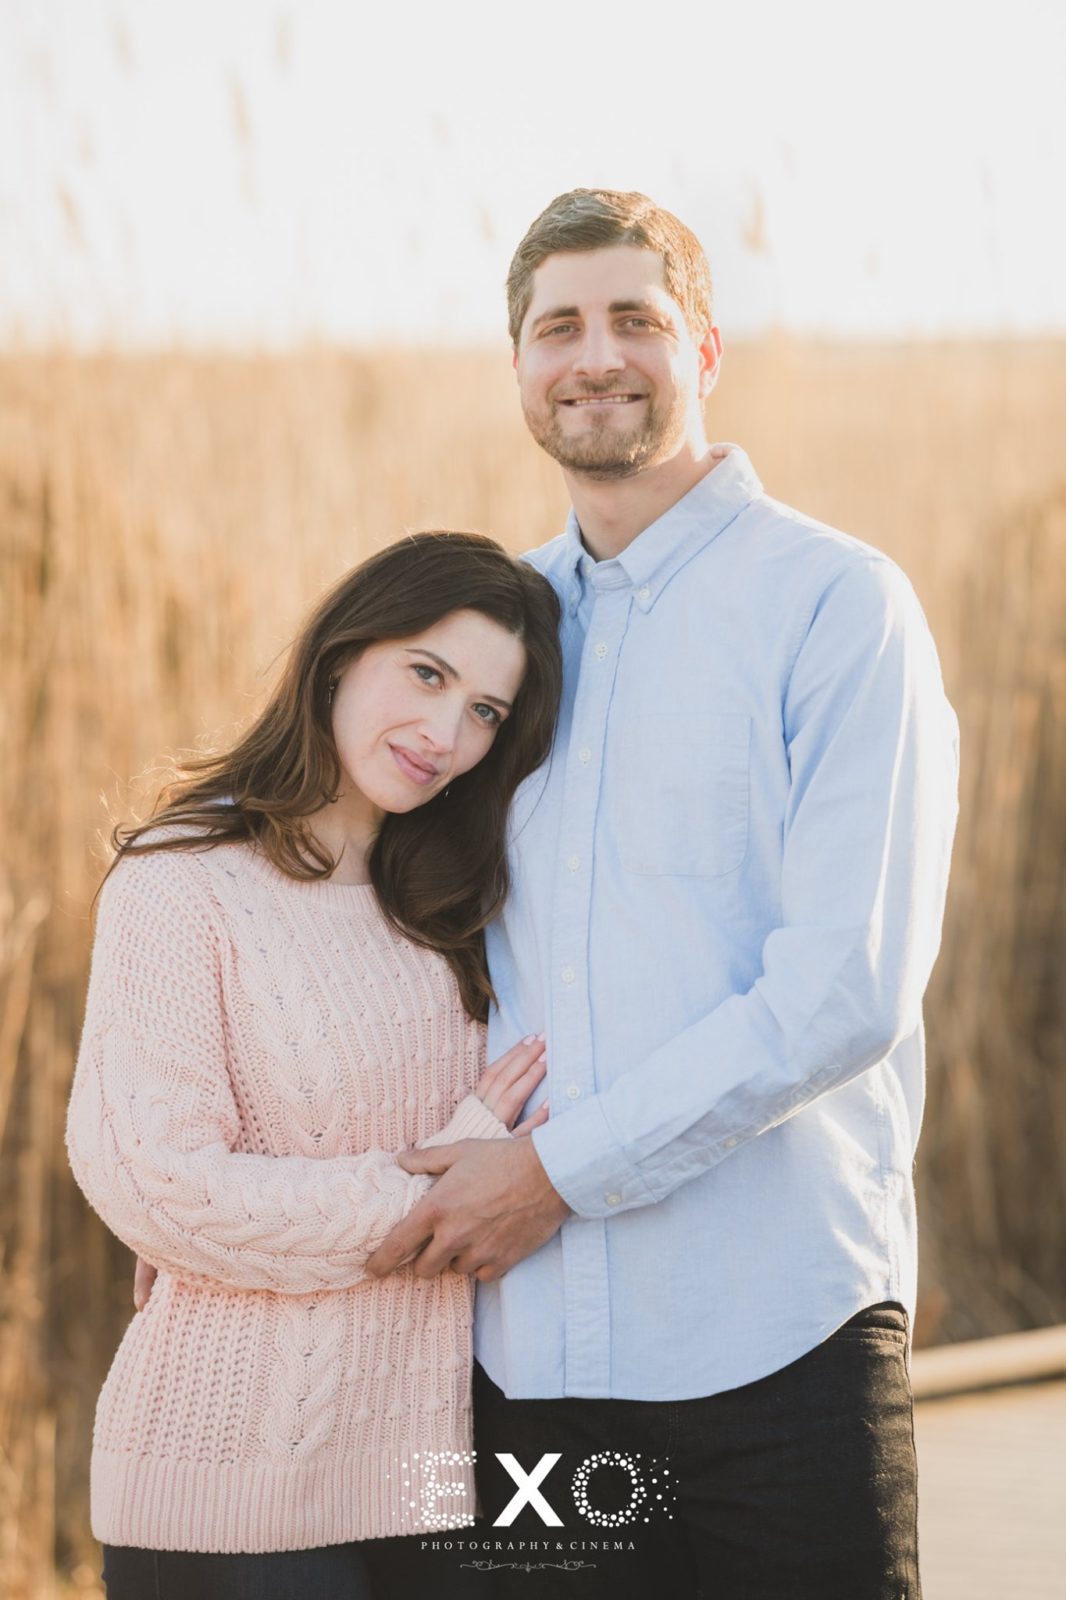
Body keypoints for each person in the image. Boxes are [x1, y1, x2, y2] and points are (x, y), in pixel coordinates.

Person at [365, 190, 960, 1599]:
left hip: (774, 1338)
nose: (595, 356)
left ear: (702, 350)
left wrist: (555, 1175)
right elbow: (381, 921)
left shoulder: (833, 606)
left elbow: (843, 988)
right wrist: (236, 1228)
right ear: (516, 366)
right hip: (526, 1355)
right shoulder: (485, 634)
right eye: (555, 325)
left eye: (635, 319)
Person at [64, 530, 564, 1599]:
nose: (444, 733)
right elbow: (162, 1184)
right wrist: (455, 1175)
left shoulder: (452, 905)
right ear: (342, 654)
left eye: (484, 711)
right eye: (426, 674)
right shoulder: (180, 881)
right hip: (231, 1491)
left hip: (431, 1488)